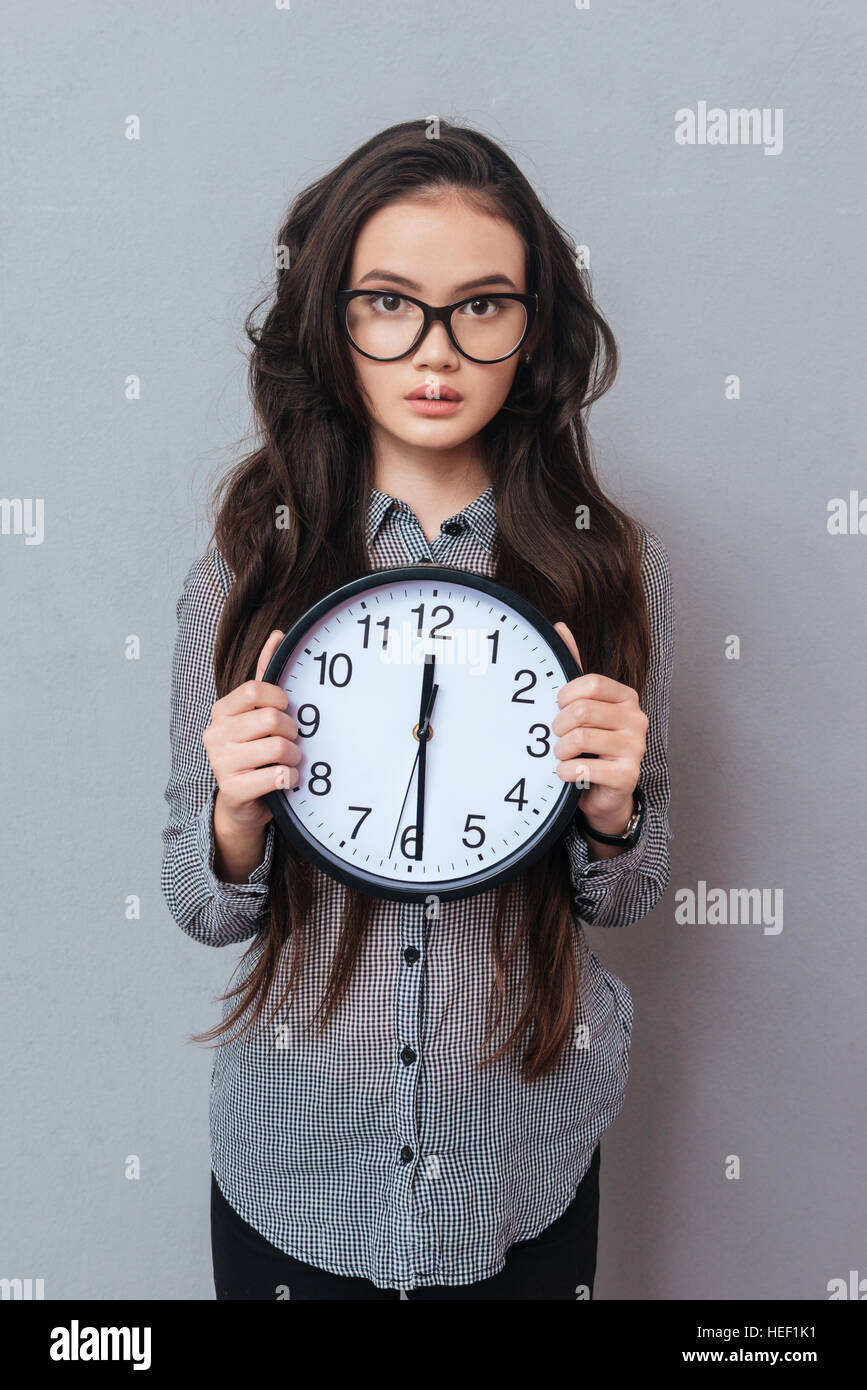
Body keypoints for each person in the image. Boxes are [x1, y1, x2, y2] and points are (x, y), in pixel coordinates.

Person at [160, 118, 675, 1301]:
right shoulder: (245, 574)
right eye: (389, 303)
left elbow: (631, 892)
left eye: (482, 305)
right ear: (330, 322)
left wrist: (611, 808)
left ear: (533, 333)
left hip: (521, 1154)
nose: (434, 349)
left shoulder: (608, 573)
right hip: (298, 1157)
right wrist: (237, 814)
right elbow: (198, 903)